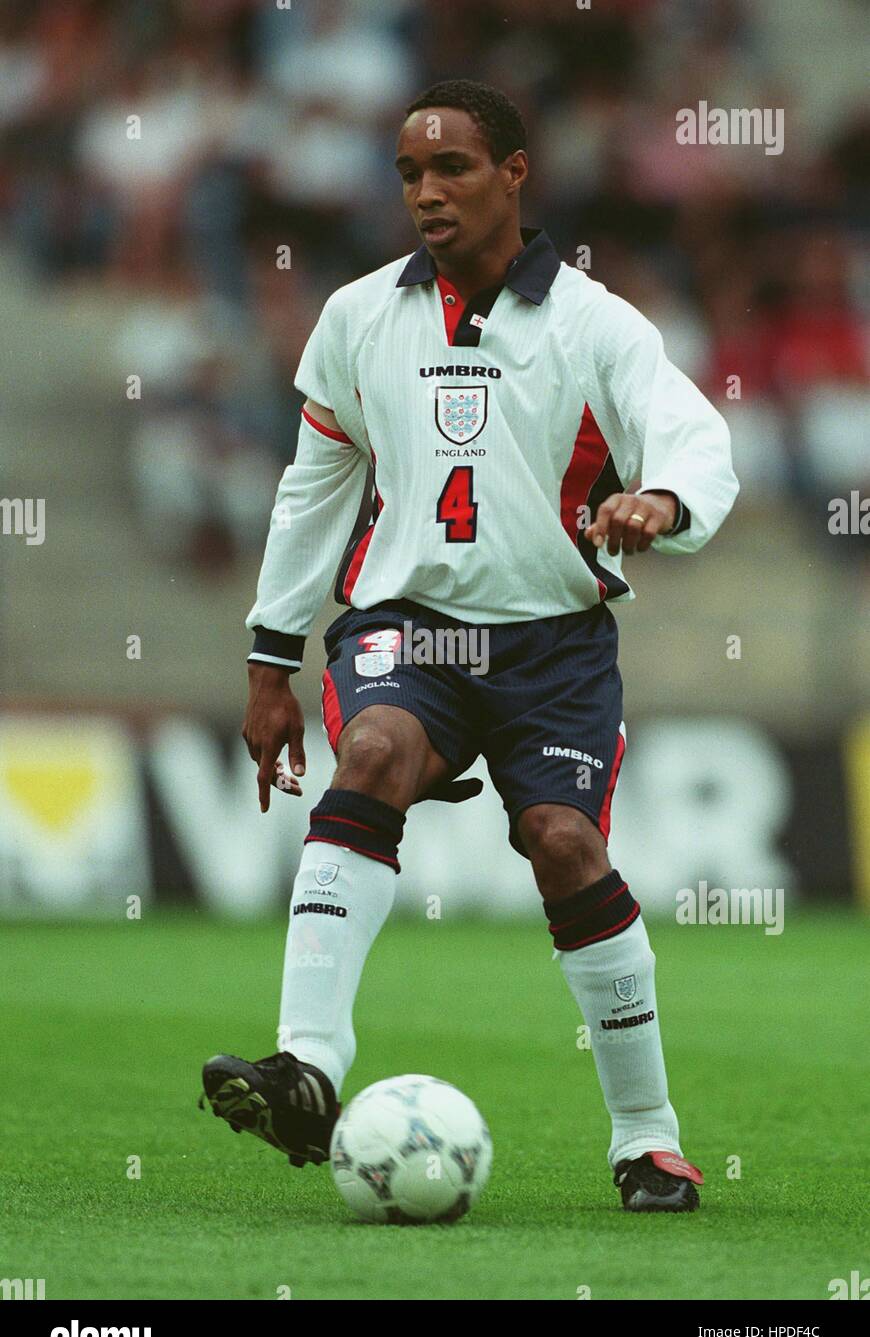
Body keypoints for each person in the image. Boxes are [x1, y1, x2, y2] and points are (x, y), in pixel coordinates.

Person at [201, 80, 738, 1212]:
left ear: (515, 174)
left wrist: (666, 504)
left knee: (563, 845)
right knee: (378, 751)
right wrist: (269, 661)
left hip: (555, 648)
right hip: (409, 629)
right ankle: (307, 1066)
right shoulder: (357, 316)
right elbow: (311, 493)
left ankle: (647, 1137)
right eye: (409, 173)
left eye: (452, 167)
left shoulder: (596, 322)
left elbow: (695, 437)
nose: (428, 191)